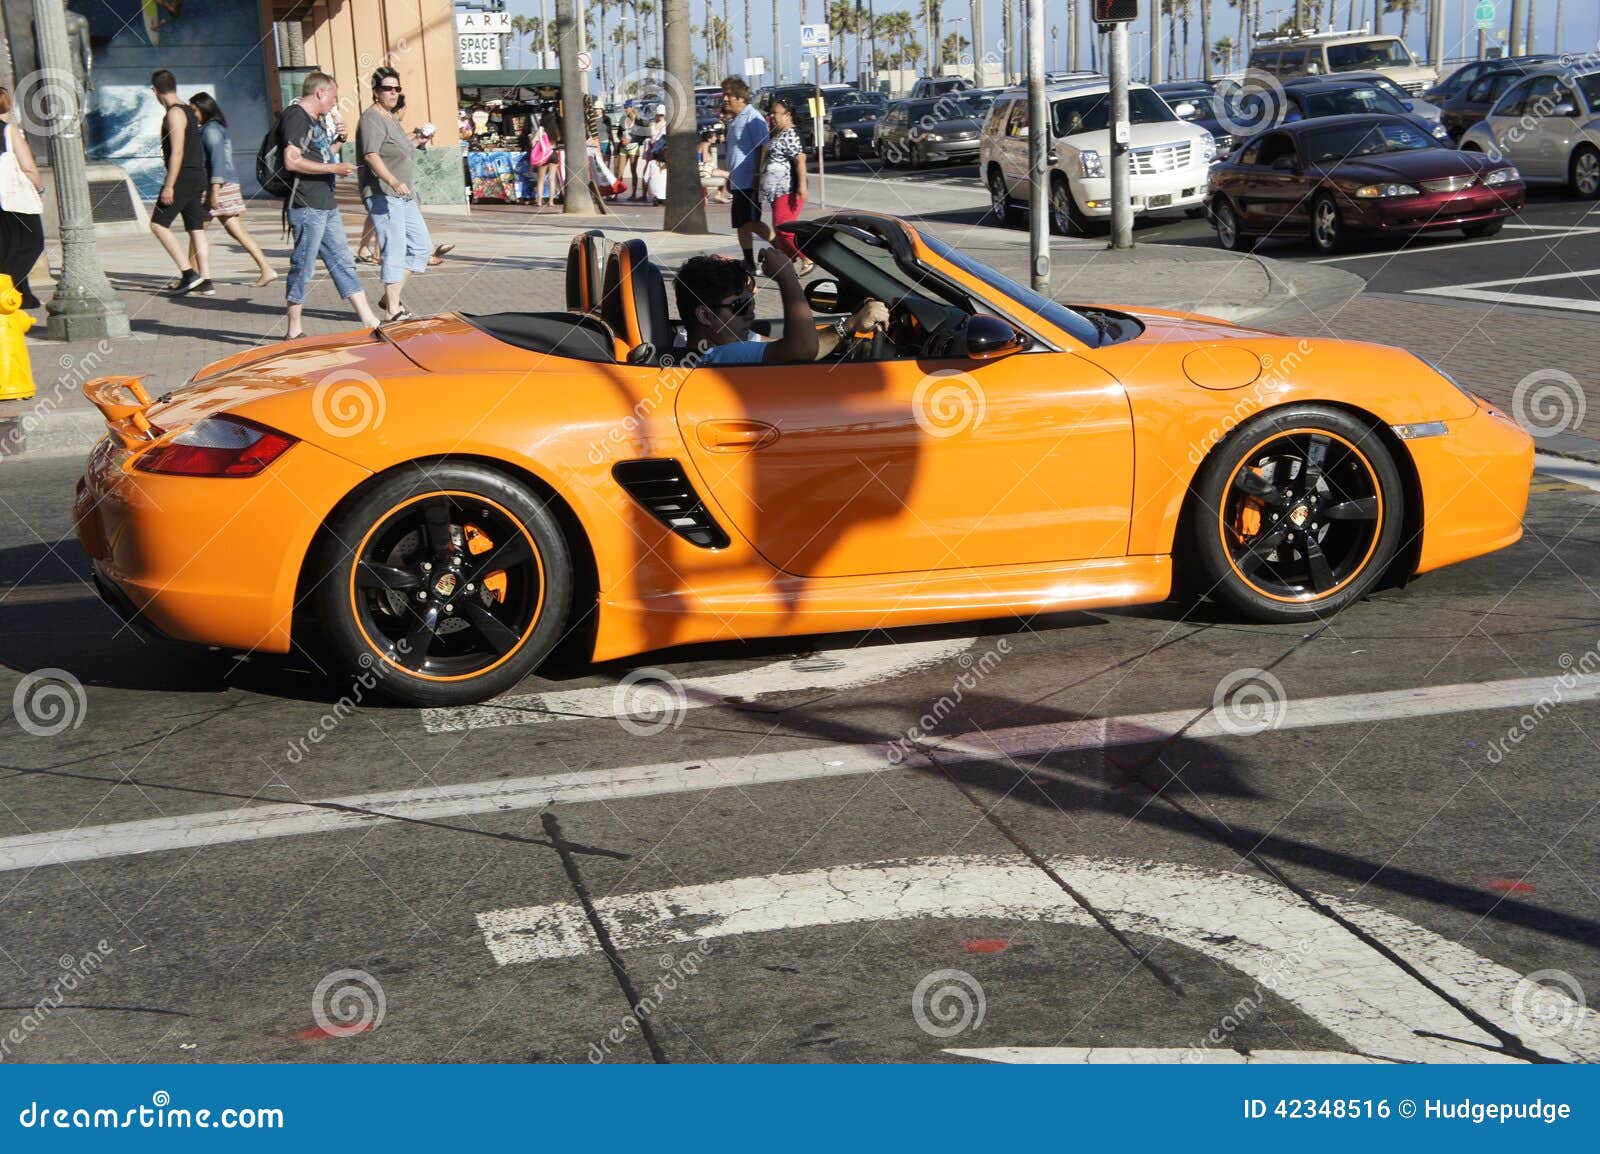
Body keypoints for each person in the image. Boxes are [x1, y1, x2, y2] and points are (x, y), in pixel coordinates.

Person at [279, 71, 380, 339]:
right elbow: (292, 161)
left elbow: (319, 157)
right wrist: (335, 167)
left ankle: (369, 319)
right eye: (333, 97)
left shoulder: (316, 121)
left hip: (325, 202)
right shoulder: (296, 117)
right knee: (303, 264)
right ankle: (294, 329)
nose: (334, 103)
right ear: (320, 93)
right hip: (306, 203)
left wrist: (338, 143)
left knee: (342, 260)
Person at [674, 250, 888, 366]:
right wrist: (786, 276)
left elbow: (795, 346)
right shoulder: (721, 356)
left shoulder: (704, 344)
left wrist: (846, 334)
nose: (751, 313)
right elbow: (801, 350)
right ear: (704, 315)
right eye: (741, 305)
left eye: (752, 303)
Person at [358, 66, 432, 323]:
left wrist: (418, 141)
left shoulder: (392, 118)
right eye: (387, 88)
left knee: (421, 247)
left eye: (396, 88)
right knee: (395, 249)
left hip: (404, 194)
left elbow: (398, 150)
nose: (392, 93)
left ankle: (391, 296)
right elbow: (371, 155)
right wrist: (392, 179)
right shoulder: (372, 118)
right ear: (376, 91)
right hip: (383, 193)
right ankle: (392, 310)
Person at [190, 92, 275, 287]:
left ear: (204, 108)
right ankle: (266, 268)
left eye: (194, 109)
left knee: (196, 230)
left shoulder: (211, 130)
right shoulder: (215, 128)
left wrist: (215, 190)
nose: (192, 113)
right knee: (232, 231)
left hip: (217, 186)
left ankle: (191, 276)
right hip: (223, 184)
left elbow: (217, 159)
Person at [148, 69, 212, 296]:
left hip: (183, 176)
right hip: (197, 175)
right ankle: (205, 279)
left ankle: (188, 273)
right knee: (195, 227)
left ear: (155, 91)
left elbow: (177, 152)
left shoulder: (174, 113)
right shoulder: (187, 109)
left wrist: (169, 185)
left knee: (158, 224)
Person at [0, 85, 46, 309]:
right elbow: (29, 168)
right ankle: (4, 291)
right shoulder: (9, 130)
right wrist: (39, 189)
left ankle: (23, 295)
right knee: (32, 242)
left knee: (7, 248)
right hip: (13, 198)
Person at [754, 97, 811, 275]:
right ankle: (786, 265)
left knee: (783, 228)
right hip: (775, 191)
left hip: (787, 190)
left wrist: (802, 187)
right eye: (771, 113)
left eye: (776, 113)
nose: (772, 116)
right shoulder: (777, 133)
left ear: (787, 115)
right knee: (780, 231)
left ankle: (807, 258)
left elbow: (800, 160)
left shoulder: (791, 134)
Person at [719, 76, 769, 273]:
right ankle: (749, 262)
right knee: (742, 224)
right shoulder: (735, 120)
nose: (725, 98)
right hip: (738, 180)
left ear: (740, 97)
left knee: (752, 222)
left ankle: (783, 249)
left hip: (749, 180)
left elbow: (762, 147)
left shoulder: (752, 117)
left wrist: (757, 175)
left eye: (728, 94)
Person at [533, 109, 561, 206]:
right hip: (553, 153)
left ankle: (540, 201)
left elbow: (533, 141)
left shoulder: (542, 129)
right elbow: (558, 140)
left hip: (544, 154)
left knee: (541, 179)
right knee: (552, 179)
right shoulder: (556, 130)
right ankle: (551, 201)